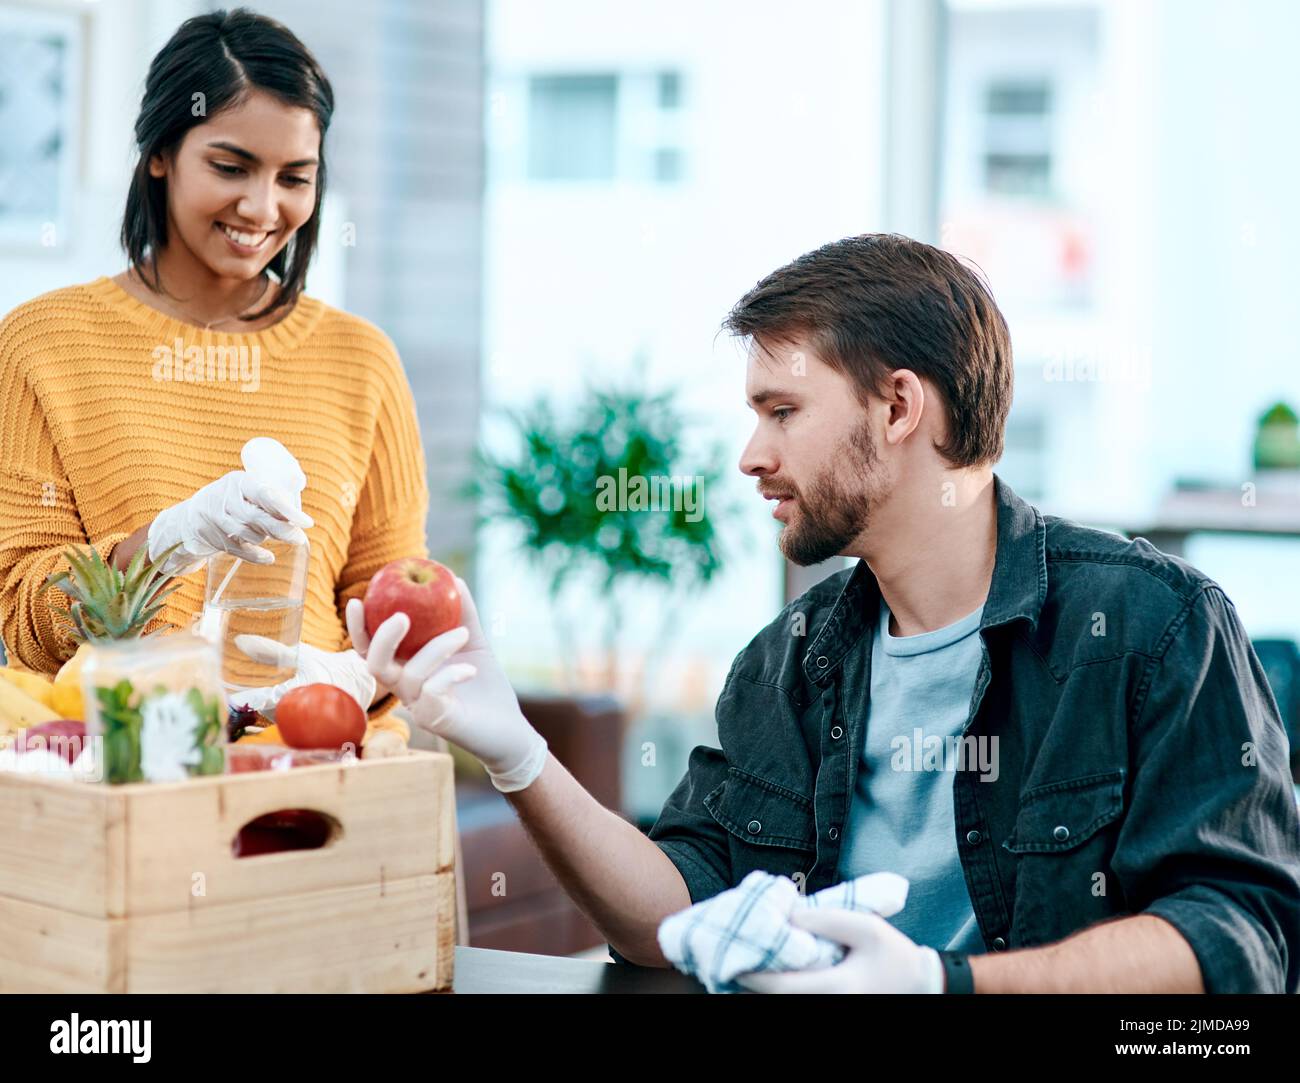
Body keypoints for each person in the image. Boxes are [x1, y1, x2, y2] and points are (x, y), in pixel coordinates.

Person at [353, 233, 1300, 993]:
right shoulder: (787, 663)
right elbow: (668, 920)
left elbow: (1239, 939)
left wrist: (941, 982)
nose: (750, 455)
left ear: (898, 407)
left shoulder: (1153, 625)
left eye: (782, 411)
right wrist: (519, 751)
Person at [0, 10, 431, 744]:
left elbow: (395, 604)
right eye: (230, 168)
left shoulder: (361, 360)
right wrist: (169, 541)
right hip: (131, 772)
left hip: (323, 774)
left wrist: (352, 675)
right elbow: (22, 619)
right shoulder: (42, 344)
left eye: (295, 177)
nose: (262, 209)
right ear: (161, 153)